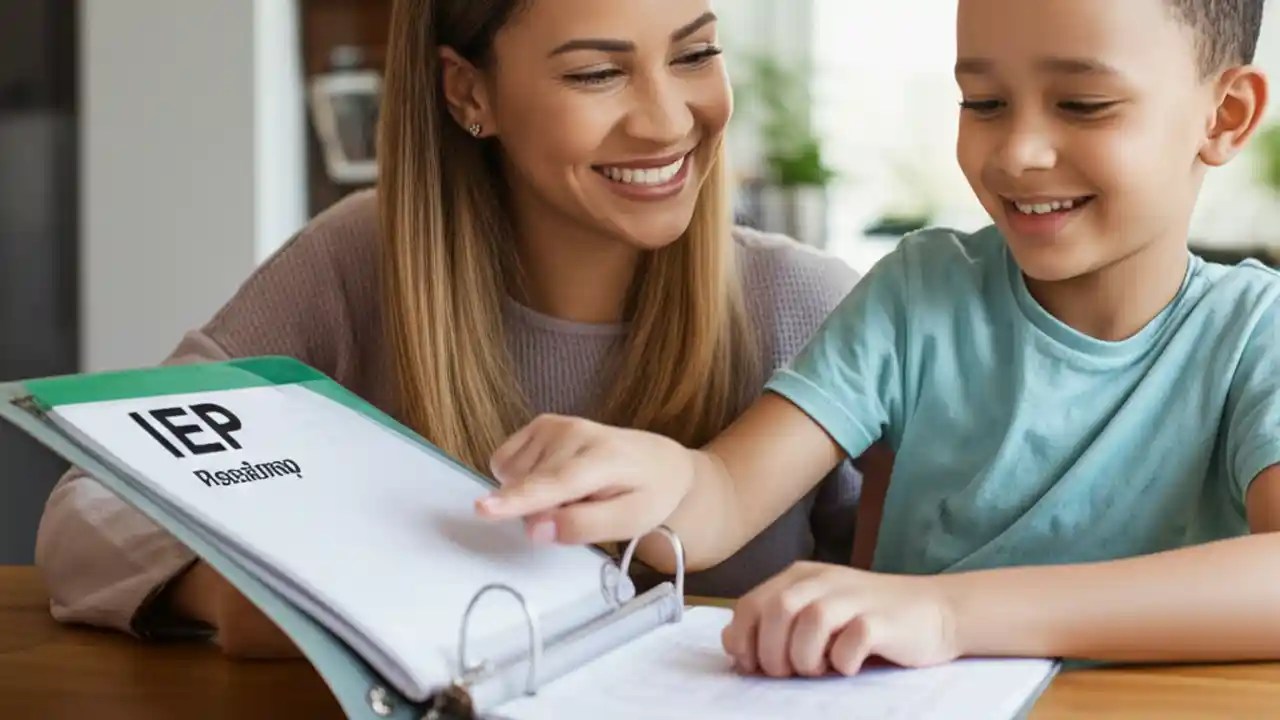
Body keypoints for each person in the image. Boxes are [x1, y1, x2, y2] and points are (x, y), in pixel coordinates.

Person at [33, 0, 871, 659]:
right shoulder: (356, 264)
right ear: (468, 90)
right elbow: (90, 508)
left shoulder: (806, 305)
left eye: (693, 54)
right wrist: (238, 602)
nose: (665, 120)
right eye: (594, 74)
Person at [478, 0, 1280, 679]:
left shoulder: (1255, 332)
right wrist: (655, 474)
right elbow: (721, 497)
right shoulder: (917, 295)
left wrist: (949, 614)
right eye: (984, 103)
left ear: (1227, 115)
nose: (1018, 153)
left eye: (1082, 106)